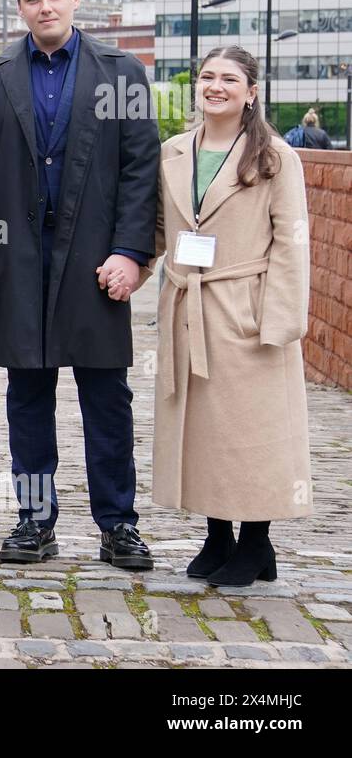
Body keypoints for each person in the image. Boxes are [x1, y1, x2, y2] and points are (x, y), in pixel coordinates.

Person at [0, 0, 161, 570]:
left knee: (106, 398)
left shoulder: (122, 74)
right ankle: (34, 523)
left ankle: (118, 525)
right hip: (17, 263)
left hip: (95, 262)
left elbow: (140, 172)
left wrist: (131, 252)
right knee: (28, 397)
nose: (44, 6)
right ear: (20, 6)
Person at [139, 46, 312, 587]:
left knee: (253, 431)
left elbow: (291, 242)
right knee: (203, 427)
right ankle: (217, 535)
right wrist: (128, 271)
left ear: (251, 91)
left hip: (246, 306)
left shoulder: (276, 158)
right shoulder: (172, 152)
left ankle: (257, 541)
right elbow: (160, 232)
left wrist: (277, 320)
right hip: (188, 304)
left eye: (229, 78)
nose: (215, 86)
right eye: (207, 76)